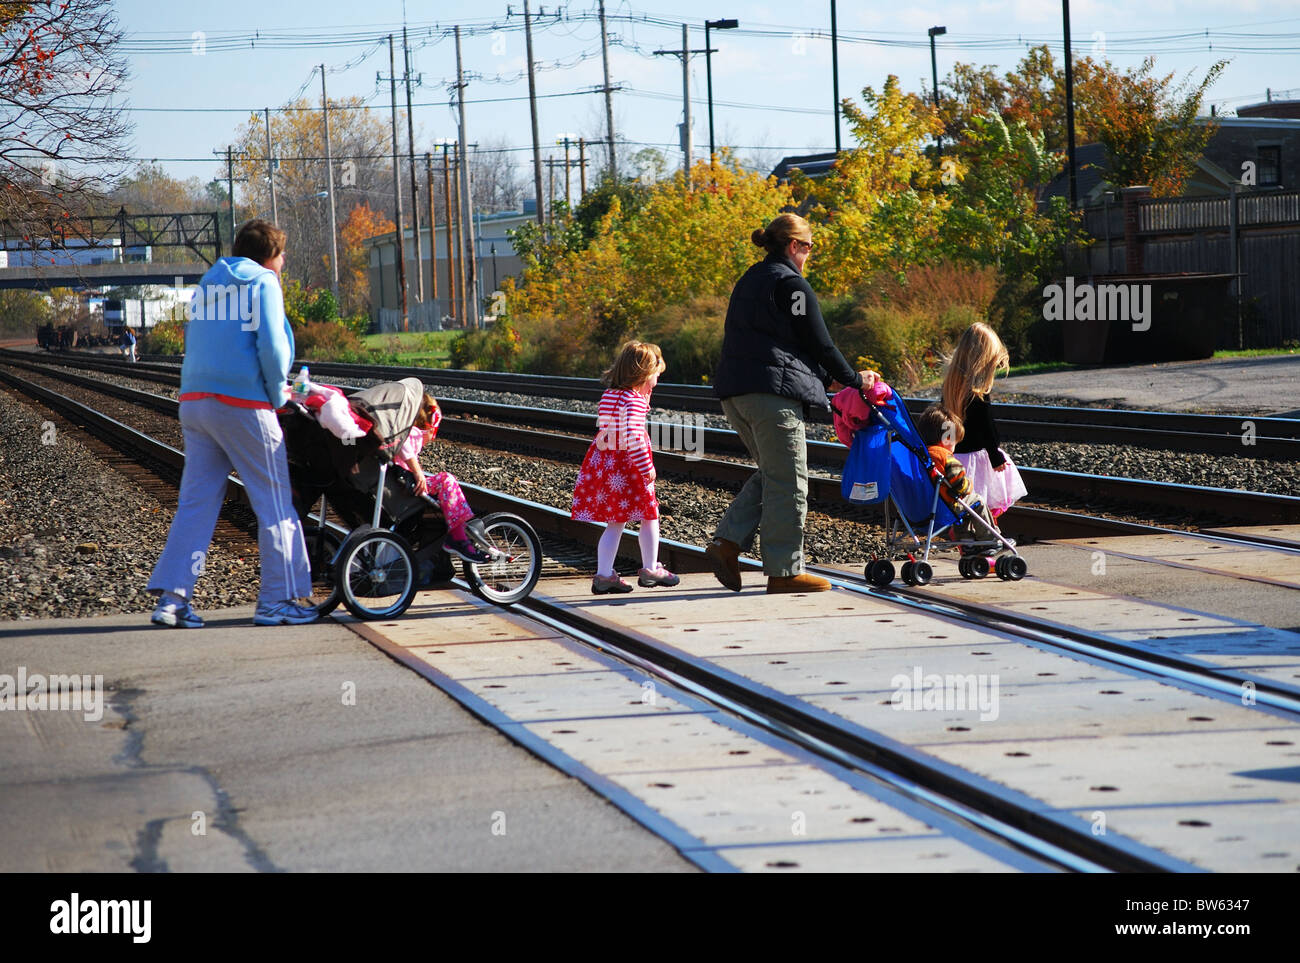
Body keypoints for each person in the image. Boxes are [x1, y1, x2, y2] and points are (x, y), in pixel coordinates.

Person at [147, 219, 317, 628]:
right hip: (243, 404)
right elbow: (273, 347)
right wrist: (280, 395)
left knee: (196, 504)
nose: (283, 263)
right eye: (282, 256)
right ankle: (278, 601)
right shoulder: (263, 283)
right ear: (270, 256)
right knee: (275, 502)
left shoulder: (209, 282)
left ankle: (173, 601)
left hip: (195, 403)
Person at [706, 213, 877, 594]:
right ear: (794, 246)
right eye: (810, 247)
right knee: (790, 481)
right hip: (771, 398)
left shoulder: (751, 279)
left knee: (774, 473)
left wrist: (821, 374)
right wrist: (853, 379)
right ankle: (785, 572)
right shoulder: (792, 285)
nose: (810, 255)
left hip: (737, 394)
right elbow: (819, 341)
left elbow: (779, 342)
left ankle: (728, 542)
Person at [571, 341, 679, 594]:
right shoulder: (635, 401)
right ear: (642, 375)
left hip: (608, 465)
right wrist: (646, 467)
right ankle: (651, 568)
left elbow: (608, 428)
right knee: (650, 515)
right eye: (655, 376)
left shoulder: (610, 395)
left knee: (615, 522)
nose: (656, 382)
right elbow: (633, 435)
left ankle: (605, 574)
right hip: (630, 467)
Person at [940, 322, 1028, 519]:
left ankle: (968, 544)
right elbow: (986, 426)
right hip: (979, 460)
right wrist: (994, 453)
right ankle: (987, 539)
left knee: (963, 509)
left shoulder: (951, 387)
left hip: (957, 459)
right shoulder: (978, 391)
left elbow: (945, 423)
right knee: (985, 506)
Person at [395, 391, 490, 564]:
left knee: (444, 483)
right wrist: (418, 473)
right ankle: (458, 538)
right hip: (406, 483)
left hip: (399, 481)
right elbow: (405, 447)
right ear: (430, 425)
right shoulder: (413, 432)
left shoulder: (402, 427)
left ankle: (458, 534)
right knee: (447, 480)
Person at [915, 405, 999, 548]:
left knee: (961, 503)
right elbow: (960, 486)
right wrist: (969, 484)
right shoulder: (945, 457)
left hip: (921, 507)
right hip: (944, 508)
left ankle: (966, 540)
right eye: (955, 441)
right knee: (975, 500)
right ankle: (990, 538)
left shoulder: (918, 456)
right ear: (947, 438)